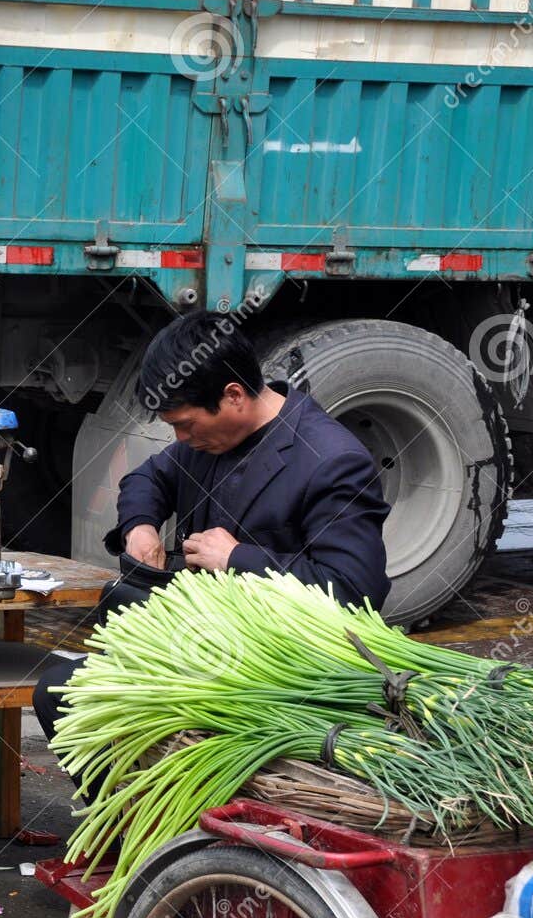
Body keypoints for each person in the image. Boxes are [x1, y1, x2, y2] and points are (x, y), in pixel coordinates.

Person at [31, 311, 392, 767]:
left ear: (234, 395)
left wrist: (237, 558)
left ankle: (177, 830)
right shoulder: (207, 439)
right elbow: (149, 479)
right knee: (58, 692)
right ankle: (129, 831)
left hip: (277, 666)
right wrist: (139, 526)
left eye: (185, 425)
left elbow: (353, 590)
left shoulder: (333, 461)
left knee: (95, 702)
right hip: (204, 645)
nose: (180, 439)